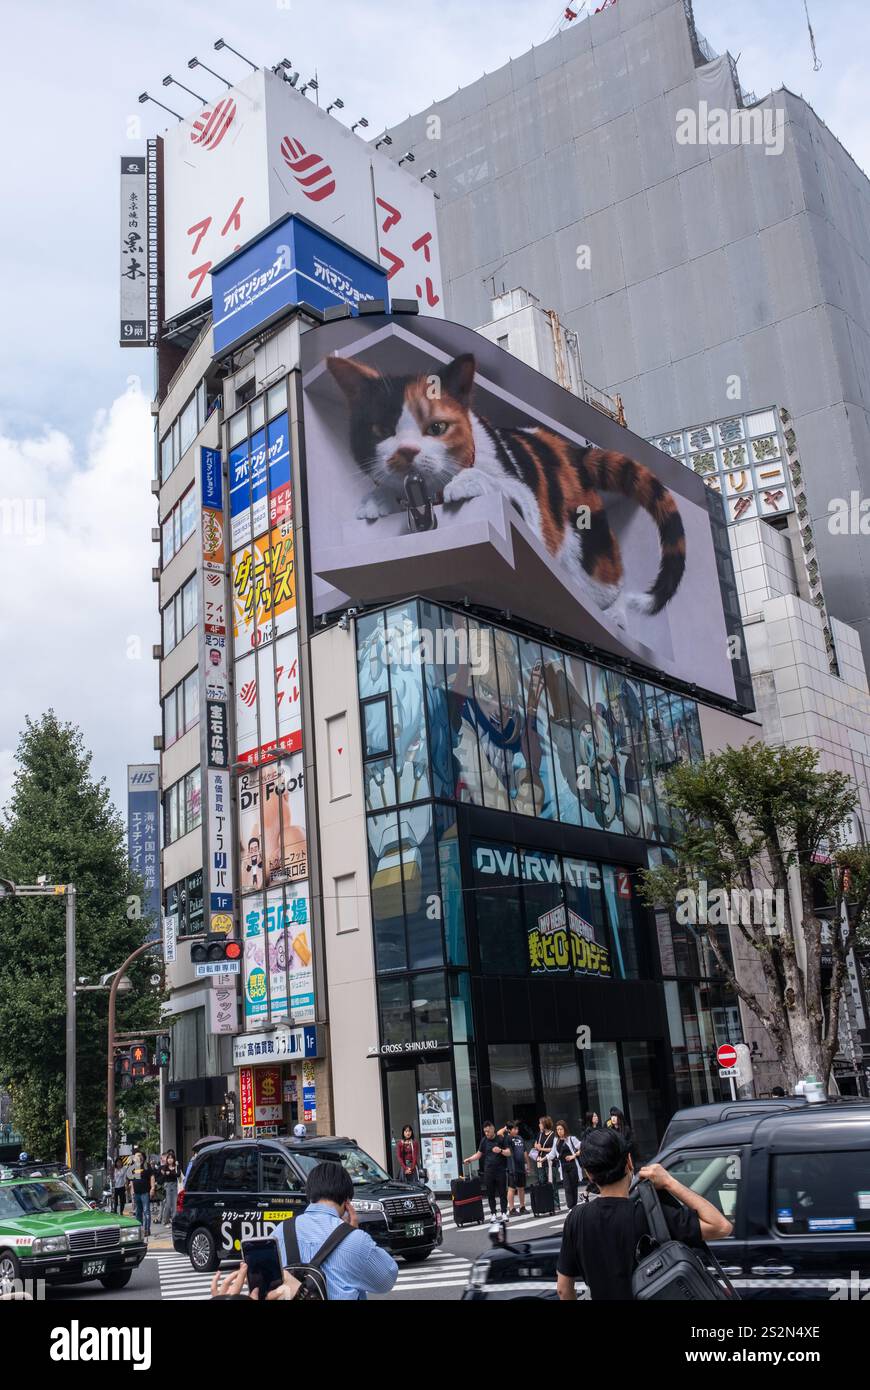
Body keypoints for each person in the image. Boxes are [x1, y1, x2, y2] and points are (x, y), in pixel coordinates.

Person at [556, 1128, 733, 1301]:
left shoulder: (576, 1219)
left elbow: (563, 1290)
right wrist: (669, 1182)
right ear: (629, 1162)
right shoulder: (652, 1214)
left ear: (589, 1174)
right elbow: (720, 1226)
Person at [273, 1160, 398, 1300]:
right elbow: (387, 1279)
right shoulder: (355, 1239)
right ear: (347, 1202)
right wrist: (353, 1232)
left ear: (310, 1194)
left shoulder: (280, 1232)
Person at [463, 1121, 509, 1217]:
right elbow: (478, 1154)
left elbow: (509, 1152)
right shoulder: (484, 1141)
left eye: (488, 1131)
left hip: (500, 1170)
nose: (487, 1133)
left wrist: (500, 1150)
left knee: (502, 1193)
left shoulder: (500, 1139)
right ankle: (493, 1213)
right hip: (488, 1171)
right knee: (490, 1194)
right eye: (485, 1132)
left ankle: (504, 1212)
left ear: (493, 1129)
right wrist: (470, 1159)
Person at [498, 1120, 529, 1215]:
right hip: (512, 1167)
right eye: (514, 1129)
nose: (516, 1130)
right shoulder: (507, 1138)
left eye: (517, 1128)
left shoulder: (520, 1138)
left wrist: (528, 1164)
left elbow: (524, 1152)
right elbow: (499, 1133)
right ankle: (511, 1208)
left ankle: (522, 1206)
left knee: (521, 1187)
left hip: (521, 1167)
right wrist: (505, 1128)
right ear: (510, 1130)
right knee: (512, 1188)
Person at [553, 1120, 583, 1209]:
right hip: (563, 1167)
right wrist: (543, 1158)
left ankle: (574, 1206)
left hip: (573, 1166)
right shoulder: (556, 1141)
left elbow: (582, 1148)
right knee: (567, 1187)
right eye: (557, 1130)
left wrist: (574, 1156)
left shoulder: (571, 1139)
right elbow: (553, 1153)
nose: (559, 1131)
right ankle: (570, 1207)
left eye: (561, 1129)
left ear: (565, 1129)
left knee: (573, 1187)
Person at [127, 1148, 157, 1236]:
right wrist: (132, 1193)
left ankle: (147, 1230)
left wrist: (152, 1188)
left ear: (142, 1157)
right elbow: (131, 1181)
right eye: (136, 1156)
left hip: (145, 1192)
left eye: (139, 1155)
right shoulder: (132, 1167)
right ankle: (140, 1229)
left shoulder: (146, 1166)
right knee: (138, 1212)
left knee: (146, 1211)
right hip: (136, 1193)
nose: (138, 1157)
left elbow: (152, 1177)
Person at [530, 1116, 556, 1186]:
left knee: (551, 1182)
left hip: (549, 1161)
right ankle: (545, 1196)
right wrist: (536, 1146)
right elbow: (535, 1143)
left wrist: (541, 1149)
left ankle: (553, 1197)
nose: (539, 1125)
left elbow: (553, 1149)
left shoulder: (553, 1135)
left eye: (540, 1123)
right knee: (542, 1181)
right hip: (540, 1160)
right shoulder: (540, 1134)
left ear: (545, 1124)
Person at [159, 1151, 179, 1225]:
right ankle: (165, 1220)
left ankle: (174, 1221)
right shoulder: (165, 1167)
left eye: (172, 1158)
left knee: (174, 1204)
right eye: (169, 1158)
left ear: (174, 1159)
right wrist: (169, 1174)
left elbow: (178, 1174)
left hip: (175, 1185)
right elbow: (163, 1176)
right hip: (167, 1186)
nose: (170, 1159)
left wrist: (169, 1173)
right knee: (168, 1204)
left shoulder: (176, 1166)